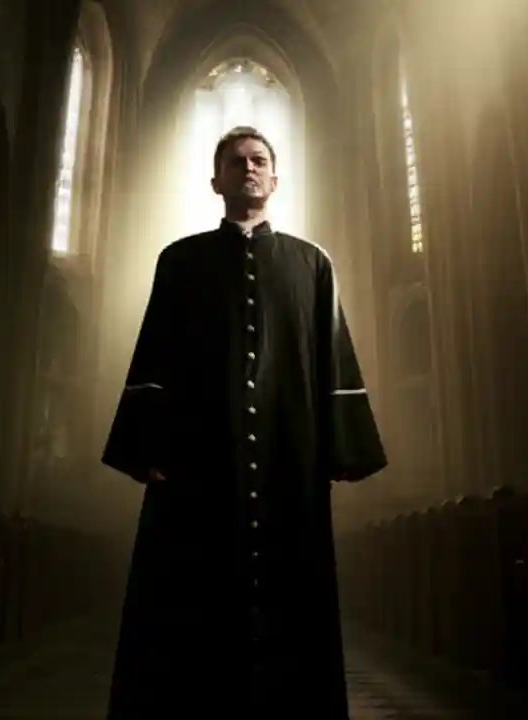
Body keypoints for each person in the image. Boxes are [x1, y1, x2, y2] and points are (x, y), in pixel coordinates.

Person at [101, 126, 387, 718]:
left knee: (293, 607)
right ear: (216, 181)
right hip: (200, 466)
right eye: (236, 162)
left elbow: (333, 354)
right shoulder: (179, 261)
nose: (248, 169)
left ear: (276, 179)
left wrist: (339, 449)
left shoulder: (313, 264)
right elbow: (155, 351)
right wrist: (146, 443)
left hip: (290, 463)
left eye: (259, 161)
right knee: (194, 609)